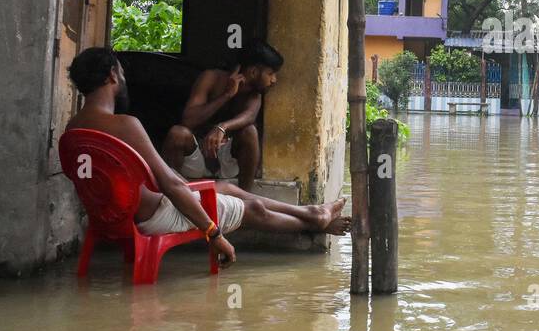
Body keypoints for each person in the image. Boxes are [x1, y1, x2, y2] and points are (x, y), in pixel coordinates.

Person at [65, 47, 349, 266]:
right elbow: (171, 185)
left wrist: (191, 187)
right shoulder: (126, 125)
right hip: (154, 215)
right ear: (112, 76)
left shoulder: (72, 129)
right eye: (121, 72)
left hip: (112, 215)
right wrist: (214, 234)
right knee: (250, 209)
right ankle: (317, 220)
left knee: (227, 189)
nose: (124, 77)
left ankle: (313, 213)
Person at [161, 39, 283, 191]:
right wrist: (226, 95)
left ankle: (246, 198)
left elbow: (249, 116)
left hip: (227, 161)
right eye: (270, 73)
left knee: (250, 131)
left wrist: (222, 127)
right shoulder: (211, 78)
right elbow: (188, 120)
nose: (274, 80)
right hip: (197, 156)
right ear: (253, 72)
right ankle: (171, 195)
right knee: (177, 133)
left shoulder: (255, 94)